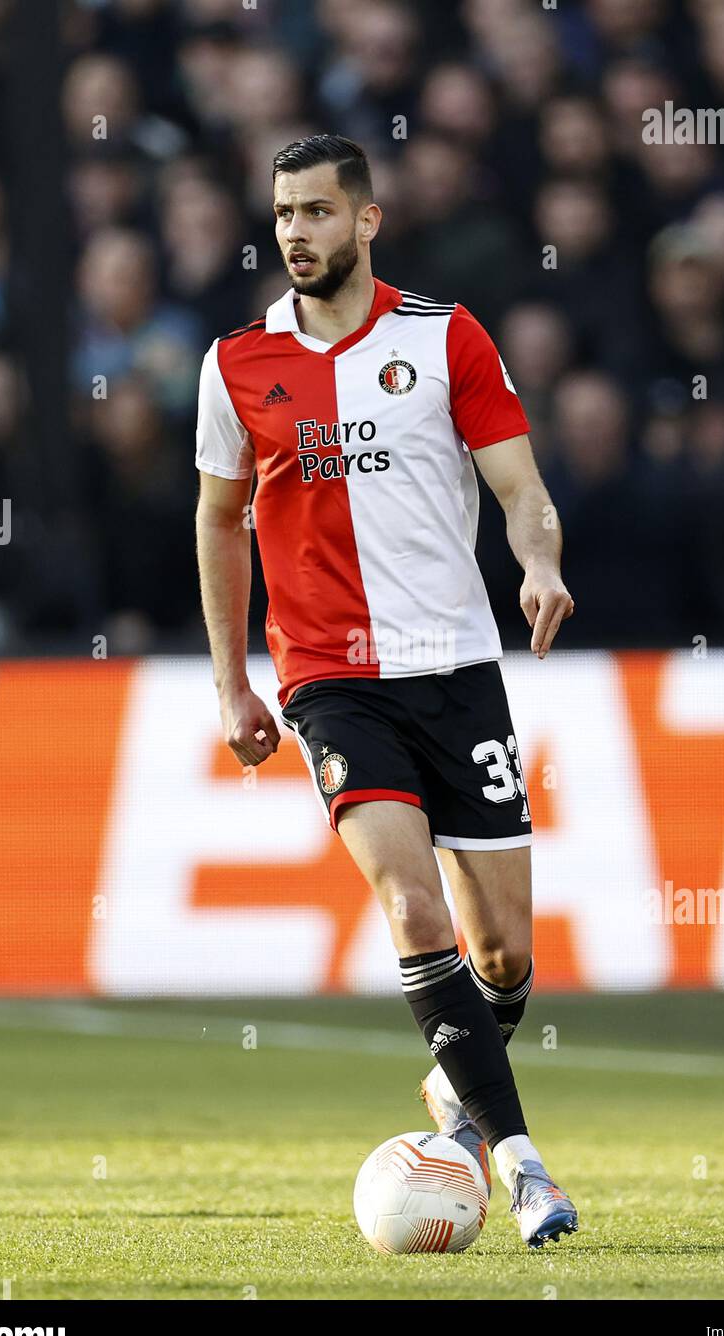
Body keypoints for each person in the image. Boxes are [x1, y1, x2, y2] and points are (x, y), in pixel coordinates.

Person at [194, 133, 578, 1248]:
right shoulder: (238, 366)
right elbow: (220, 522)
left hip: (456, 669)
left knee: (502, 952)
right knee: (412, 909)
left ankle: (455, 1095)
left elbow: (522, 486)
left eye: (318, 212)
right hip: (330, 682)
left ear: (368, 221)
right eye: (283, 216)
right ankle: (521, 1166)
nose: (297, 234)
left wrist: (541, 560)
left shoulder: (443, 337)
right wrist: (233, 685)